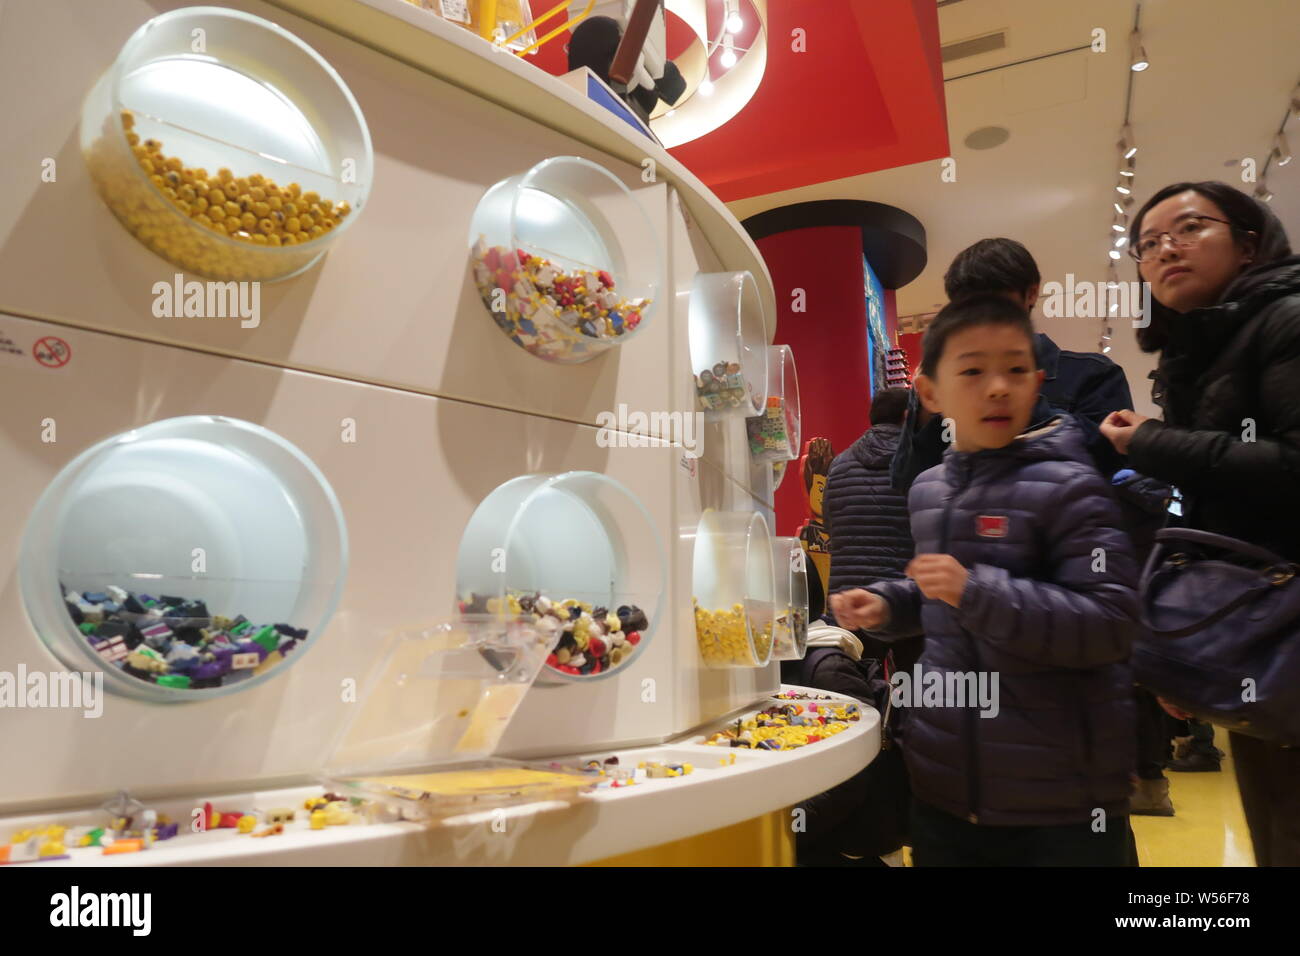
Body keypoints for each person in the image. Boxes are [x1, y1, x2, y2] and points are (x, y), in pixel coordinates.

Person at [833, 294, 1141, 866]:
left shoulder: (1073, 488)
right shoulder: (928, 489)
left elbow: (1111, 625)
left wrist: (974, 591)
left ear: (1037, 382)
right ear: (930, 393)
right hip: (945, 787)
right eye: (973, 370)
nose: (998, 387)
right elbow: (938, 597)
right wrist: (886, 605)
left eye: (1016, 370)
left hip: (1060, 800)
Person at [1099, 181, 1300, 866]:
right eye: (1148, 245)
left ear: (1249, 242)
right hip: (1266, 631)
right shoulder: (1202, 356)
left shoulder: (1286, 320)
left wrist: (1152, 444)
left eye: (1188, 228)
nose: (1165, 250)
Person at [891, 238, 1134, 493]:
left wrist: (1021, 400)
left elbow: (1113, 468)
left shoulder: (1094, 375)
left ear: (1031, 294)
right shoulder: (952, 386)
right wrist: (925, 411)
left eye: (995, 302)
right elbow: (906, 481)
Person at [781, 619, 908, 867]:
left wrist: (792, 827)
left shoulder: (828, 668)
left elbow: (855, 770)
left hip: (851, 838)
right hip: (824, 826)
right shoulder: (783, 660)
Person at [823, 387, 923, 672]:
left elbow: (829, 523)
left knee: (859, 692)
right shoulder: (920, 463)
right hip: (902, 602)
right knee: (913, 691)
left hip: (848, 602)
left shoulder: (839, 465)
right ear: (908, 416)